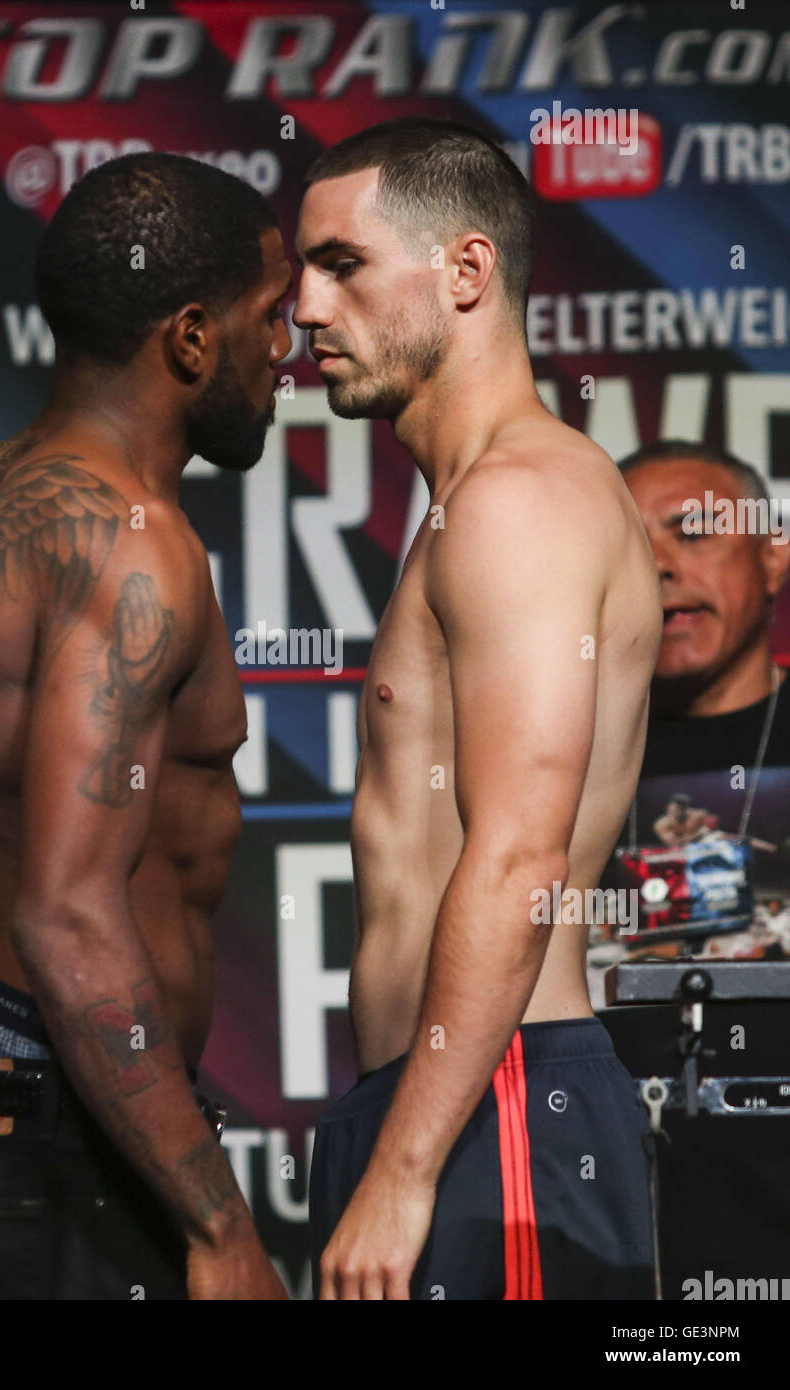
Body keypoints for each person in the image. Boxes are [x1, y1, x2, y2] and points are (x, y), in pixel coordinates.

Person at [0, 153, 293, 1300]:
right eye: (273, 317)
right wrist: (217, 1225)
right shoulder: (134, 544)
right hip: (52, 1154)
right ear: (192, 337)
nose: (285, 351)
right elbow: (62, 909)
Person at [293, 117, 662, 1300]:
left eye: (339, 265)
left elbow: (518, 858)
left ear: (466, 271)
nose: (301, 309)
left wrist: (405, 1170)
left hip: (498, 1106)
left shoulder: (519, 499)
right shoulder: (469, 504)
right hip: (444, 1104)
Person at [594, 439, 790, 1299]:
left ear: (772, 554)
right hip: (603, 1234)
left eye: (694, 531)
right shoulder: (554, 765)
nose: (662, 568)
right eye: (633, 547)